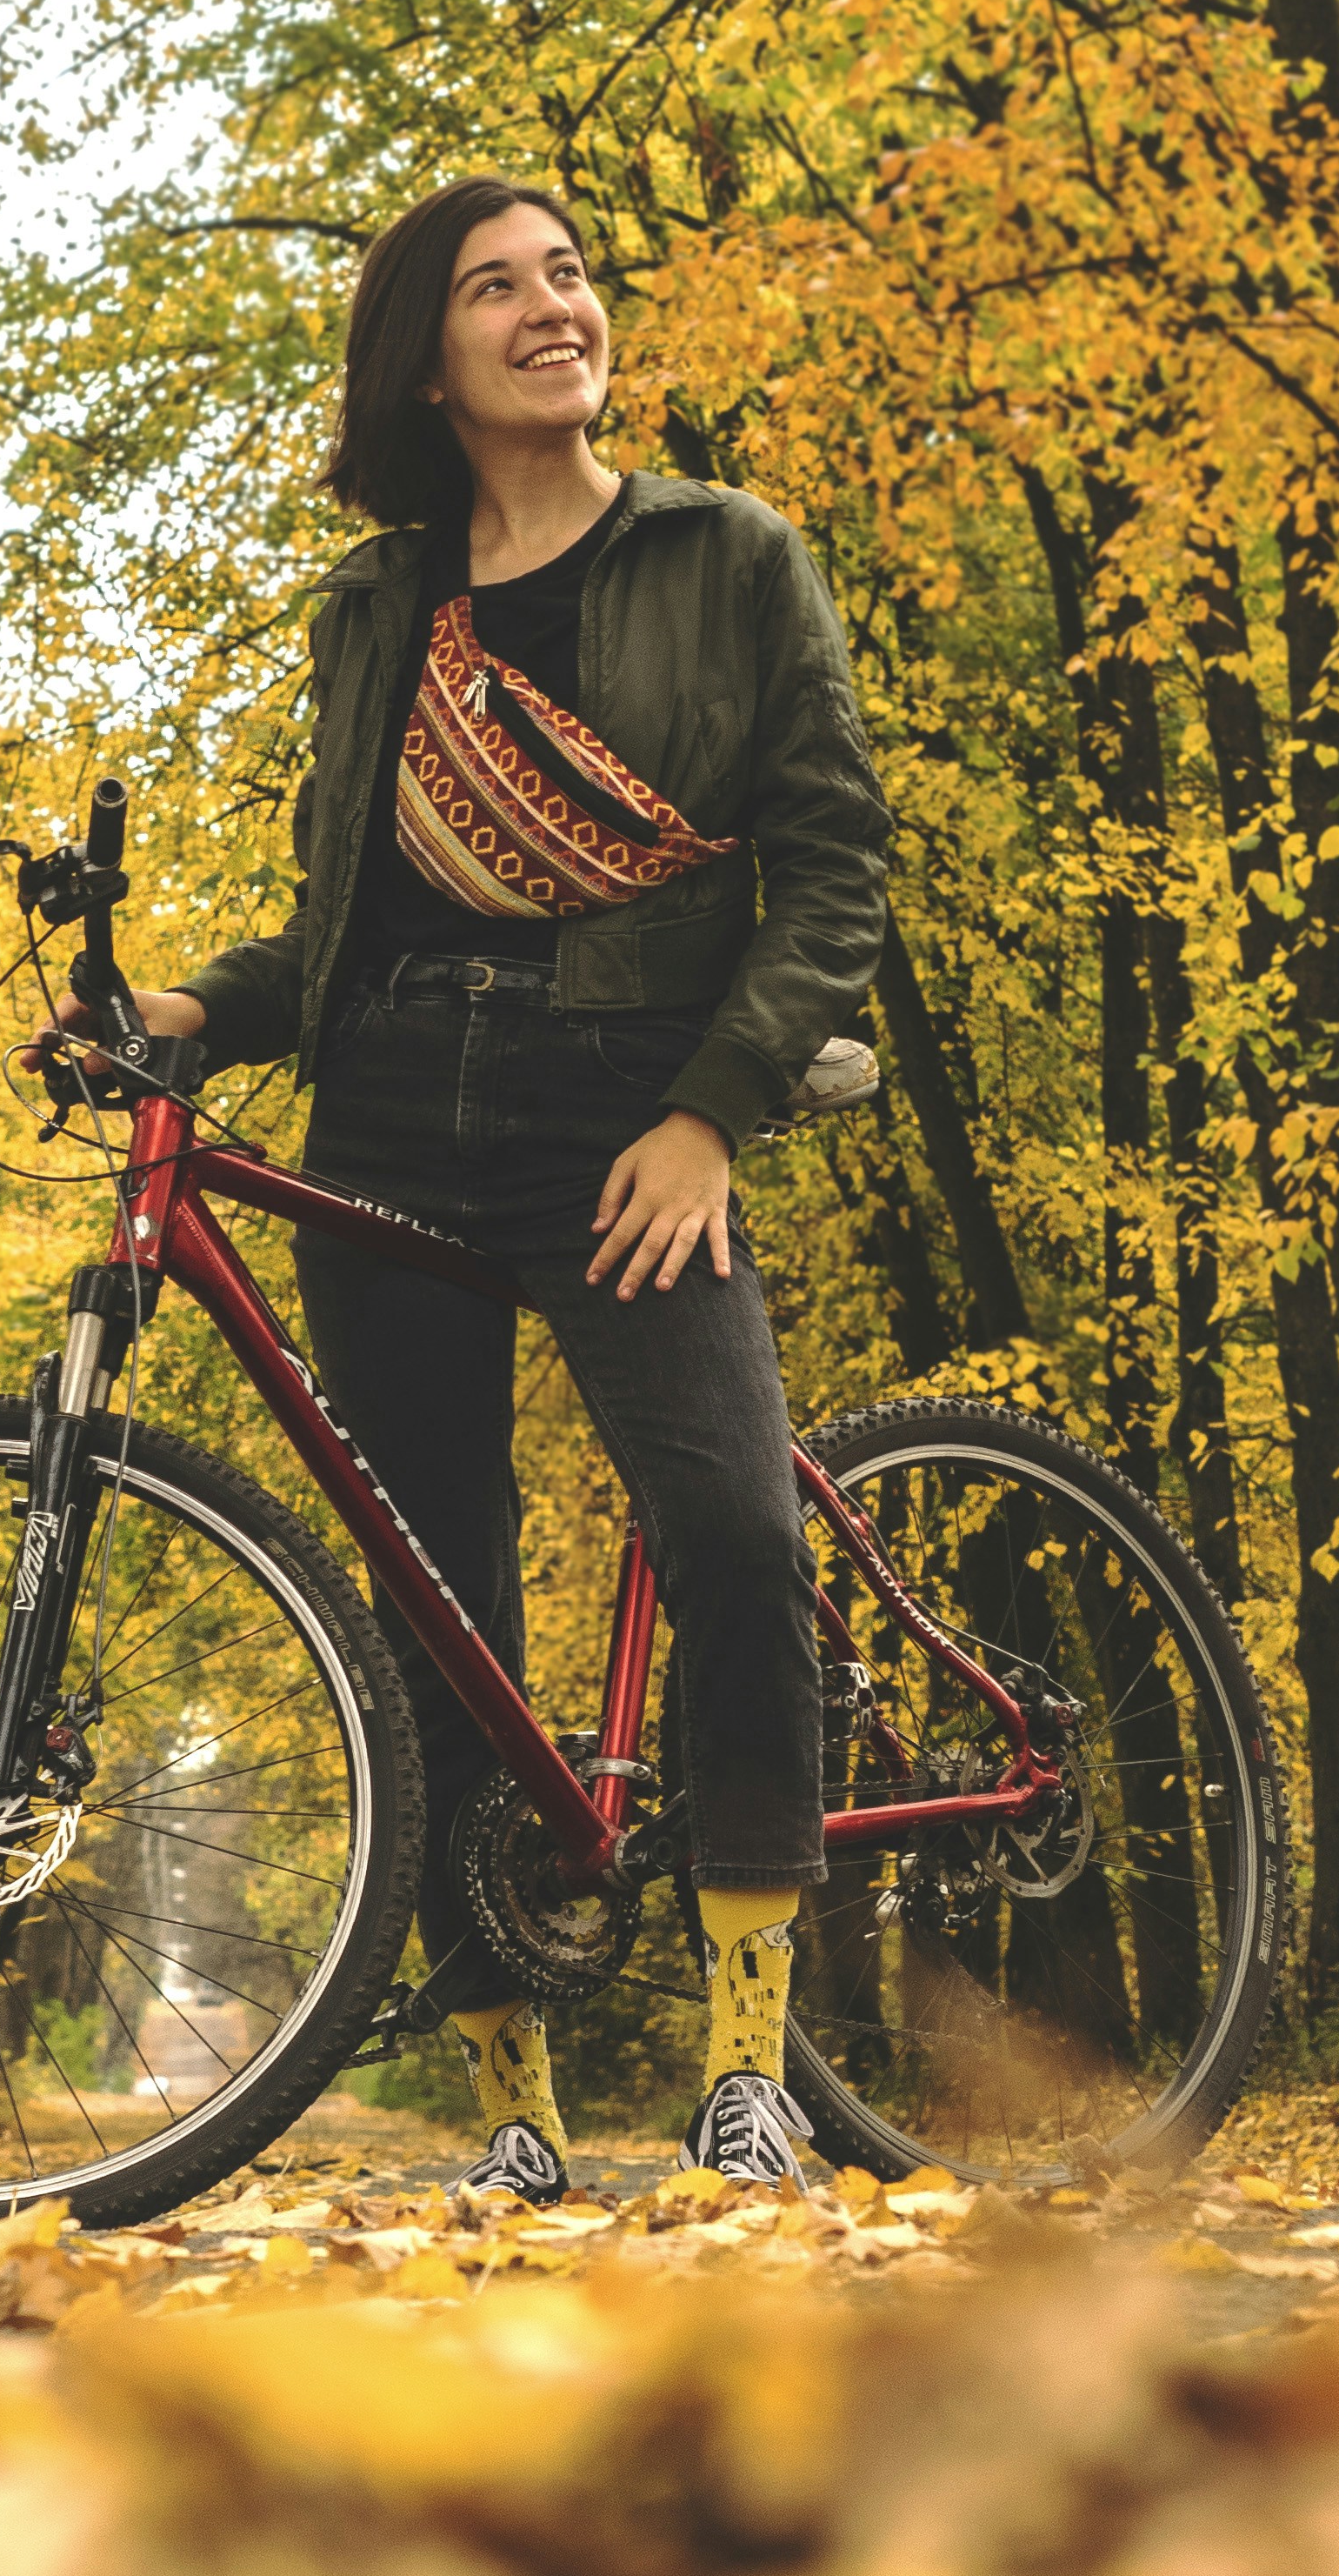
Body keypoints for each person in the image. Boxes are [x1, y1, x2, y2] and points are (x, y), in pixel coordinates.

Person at [69, 175, 892, 2202]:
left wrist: (708, 1113)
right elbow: (339, 925)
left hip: (628, 1110)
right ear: (423, 366)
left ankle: (752, 2071)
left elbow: (832, 869)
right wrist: (186, 1012)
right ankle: (514, 2106)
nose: (553, 308)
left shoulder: (727, 553)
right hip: (389, 1113)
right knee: (433, 1606)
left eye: (570, 275)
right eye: (496, 287)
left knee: (733, 1533)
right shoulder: (379, 613)